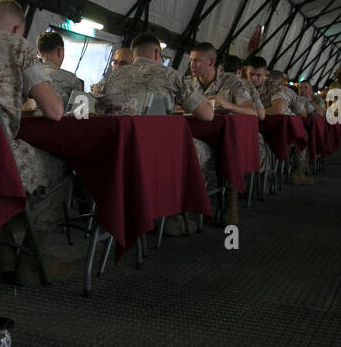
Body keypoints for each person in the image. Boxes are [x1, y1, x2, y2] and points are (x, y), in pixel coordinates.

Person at [0, 0, 71, 282]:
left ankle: (4, 254)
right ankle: (32, 260)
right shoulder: (18, 46)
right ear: (18, 28)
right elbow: (55, 111)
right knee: (60, 168)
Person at [93, 33, 216, 235]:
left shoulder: (113, 76)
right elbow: (207, 114)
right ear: (157, 53)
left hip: (117, 153)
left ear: (133, 54)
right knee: (200, 151)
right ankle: (171, 216)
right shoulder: (171, 75)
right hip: (156, 155)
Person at [182, 42, 260, 227]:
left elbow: (252, 111)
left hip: (225, 135)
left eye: (197, 61)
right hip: (197, 134)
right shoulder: (187, 83)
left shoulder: (232, 82)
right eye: (191, 60)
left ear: (212, 61)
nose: (192, 65)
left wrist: (226, 104)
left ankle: (230, 202)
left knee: (230, 151)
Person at [244, 57, 299, 184]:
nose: (254, 78)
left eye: (258, 75)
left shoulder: (272, 86)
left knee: (257, 138)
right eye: (251, 74)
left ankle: (263, 179)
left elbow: (279, 107)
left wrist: (256, 113)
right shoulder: (241, 86)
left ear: (265, 73)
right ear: (246, 72)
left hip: (275, 129)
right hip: (253, 126)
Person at [35, 30, 85, 108]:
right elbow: (81, 112)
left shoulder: (28, 75)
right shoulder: (71, 79)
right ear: (60, 51)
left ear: (38, 53)